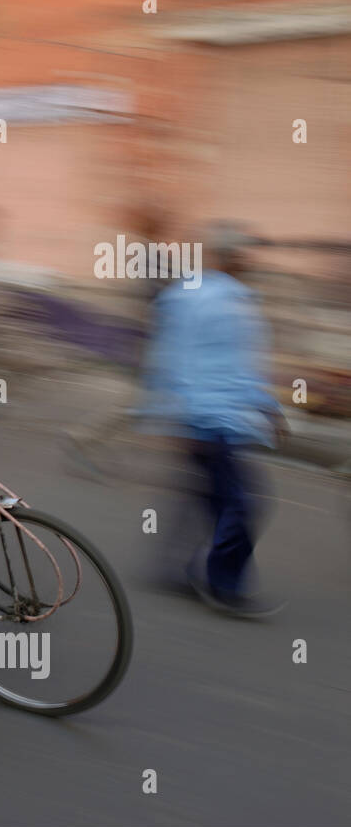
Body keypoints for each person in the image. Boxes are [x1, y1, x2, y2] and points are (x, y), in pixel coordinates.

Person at [142, 221, 288, 617]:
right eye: (246, 253)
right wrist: (184, 416)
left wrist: (268, 407)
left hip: (212, 419)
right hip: (208, 421)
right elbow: (181, 358)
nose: (251, 260)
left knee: (214, 501)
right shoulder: (209, 299)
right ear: (233, 255)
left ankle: (185, 572)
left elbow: (237, 364)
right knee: (241, 505)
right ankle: (222, 586)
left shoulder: (217, 297)